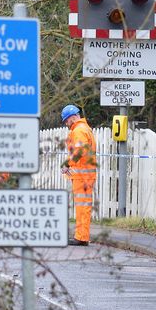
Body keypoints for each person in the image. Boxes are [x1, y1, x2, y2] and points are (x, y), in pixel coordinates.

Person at [61, 104, 97, 246]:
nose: (66, 124)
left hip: (82, 175)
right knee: (83, 206)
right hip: (86, 174)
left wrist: (67, 164)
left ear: (73, 117)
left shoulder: (79, 130)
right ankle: (82, 236)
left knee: (82, 207)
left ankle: (81, 237)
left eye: (66, 120)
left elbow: (79, 151)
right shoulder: (85, 129)